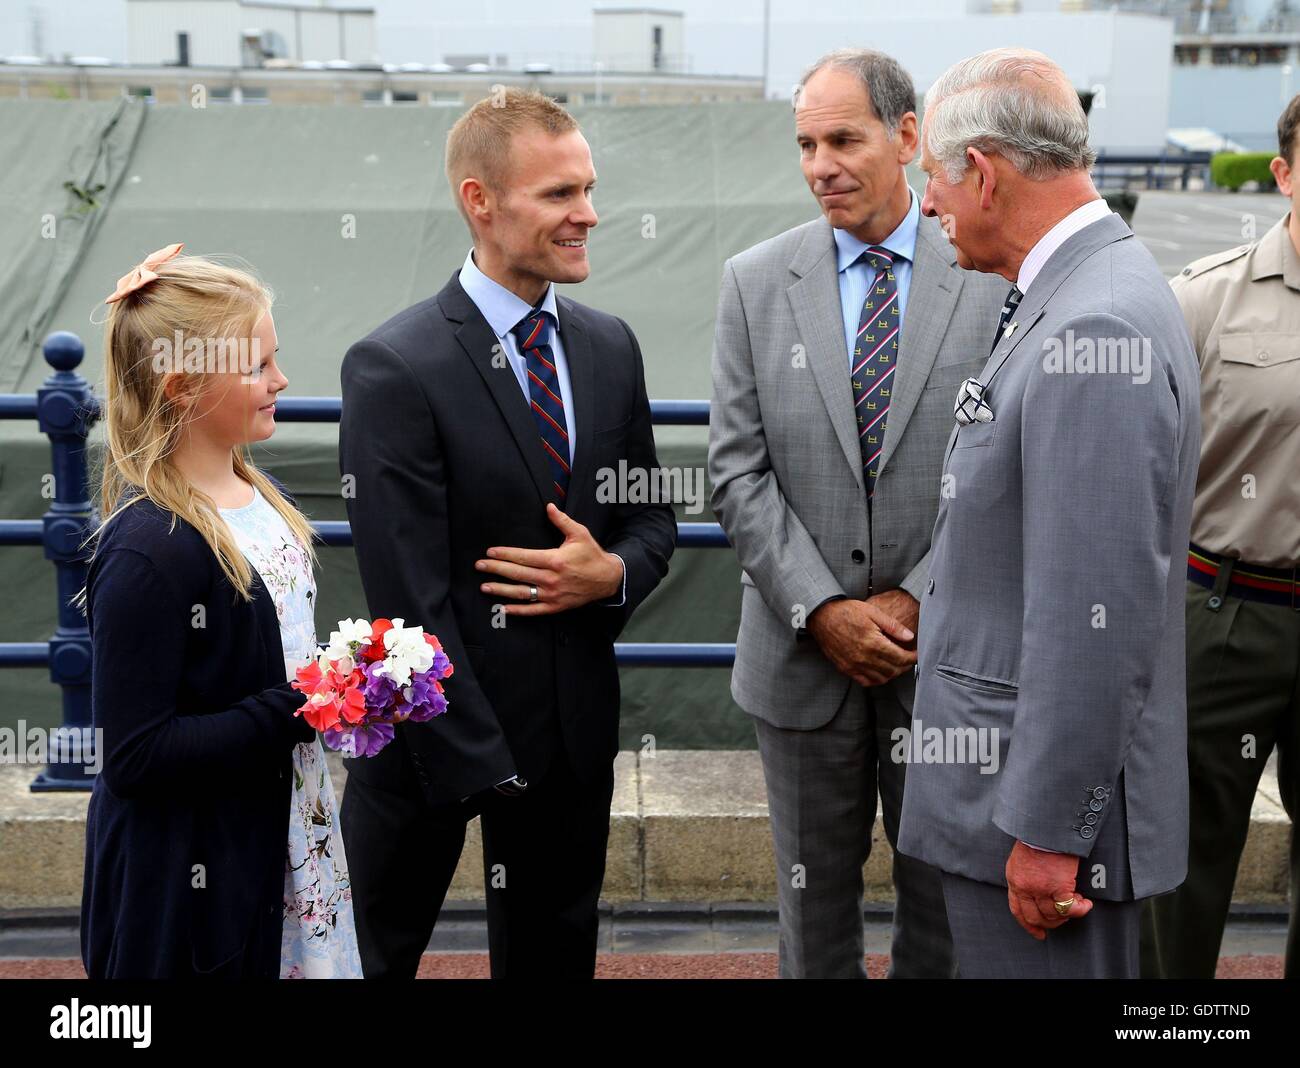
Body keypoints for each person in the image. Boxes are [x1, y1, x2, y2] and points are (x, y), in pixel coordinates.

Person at [338, 89, 676, 979]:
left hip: (571, 738)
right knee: (375, 958)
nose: (589, 214)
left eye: (589, 189)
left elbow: (650, 517)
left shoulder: (611, 347)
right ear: (480, 201)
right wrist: (482, 760)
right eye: (560, 194)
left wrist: (611, 575)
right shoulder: (393, 364)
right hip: (432, 739)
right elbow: (404, 595)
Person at [897, 47, 1201, 978]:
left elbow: (1093, 614)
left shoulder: (1093, 325)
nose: (928, 209)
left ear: (982, 173)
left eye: (933, 184)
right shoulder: (1082, 292)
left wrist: (1044, 831)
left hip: (1033, 826)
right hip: (1013, 800)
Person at [707, 48, 1006, 979]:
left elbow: (1004, 470)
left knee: (947, 914)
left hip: (947, 661)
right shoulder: (754, 283)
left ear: (909, 137)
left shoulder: (994, 276)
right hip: (801, 665)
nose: (820, 164)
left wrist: (917, 597)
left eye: (843, 138)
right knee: (812, 918)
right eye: (805, 143)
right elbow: (735, 472)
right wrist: (825, 610)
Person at [79, 245, 360, 978]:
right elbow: (134, 755)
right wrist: (301, 706)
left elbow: (264, 659)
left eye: (276, 358)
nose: (280, 380)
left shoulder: (265, 499)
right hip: (195, 881)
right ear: (182, 387)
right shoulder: (149, 549)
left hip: (285, 835)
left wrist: (354, 684)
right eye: (257, 366)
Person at [1142, 94, 1300, 980]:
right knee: (1185, 858)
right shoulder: (1202, 300)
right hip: (1225, 613)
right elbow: (1141, 468)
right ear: (1282, 175)